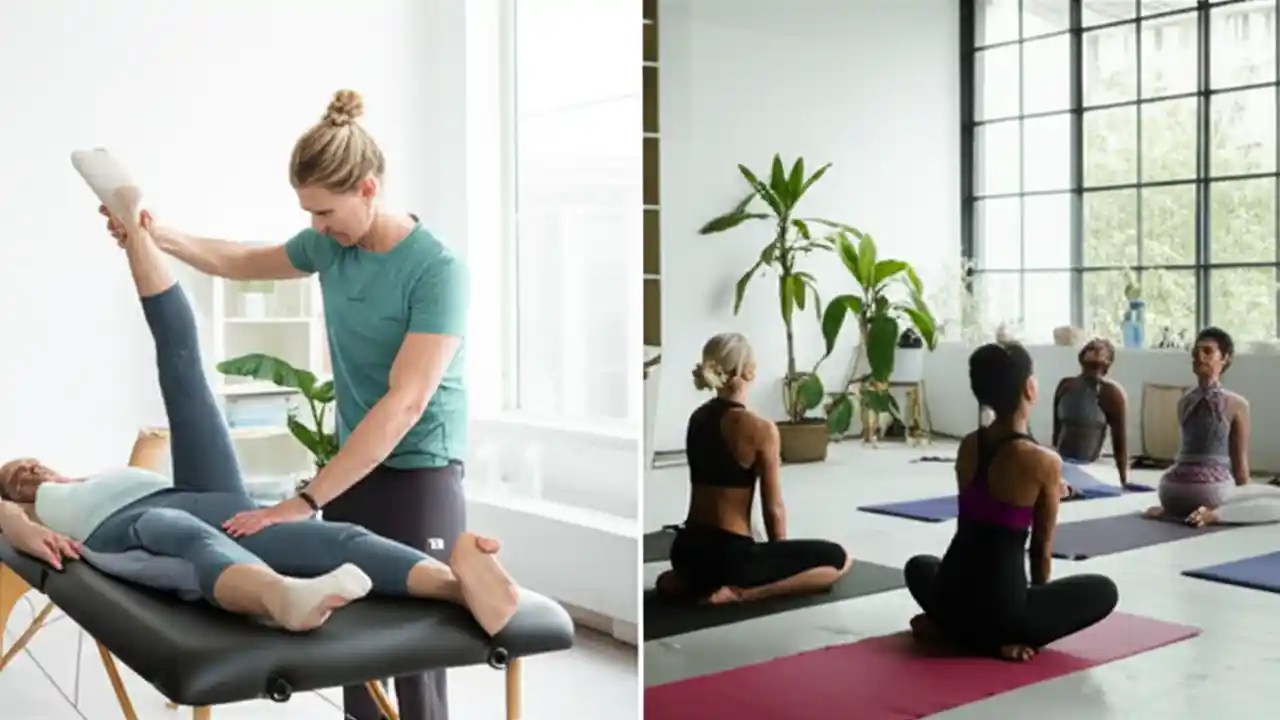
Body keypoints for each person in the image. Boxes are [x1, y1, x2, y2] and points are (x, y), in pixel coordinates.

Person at [99, 90, 468, 720]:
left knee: (418, 648)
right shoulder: (331, 246)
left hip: (419, 473)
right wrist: (154, 234)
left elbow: (404, 404)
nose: (317, 227)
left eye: (325, 211)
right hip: (355, 469)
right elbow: (241, 261)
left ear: (369, 189)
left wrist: (305, 500)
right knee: (354, 643)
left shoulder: (437, 270)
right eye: (308, 213)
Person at [0, 216, 518, 644]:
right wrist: (23, 525)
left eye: (28, 464)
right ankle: (279, 595)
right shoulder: (36, 513)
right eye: (15, 477)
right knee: (176, 530)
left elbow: (236, 266)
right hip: (130, 523)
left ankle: (459, 585)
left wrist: (140, 230)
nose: (27, 472)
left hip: (207, 496)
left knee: (188, 376)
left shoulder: (104, 474)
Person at [903, 342, 1118, 662]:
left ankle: (952, 626)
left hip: (950, 595)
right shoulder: (1044, 462)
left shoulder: (968, 445)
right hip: (1002, 613)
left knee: (919, 566)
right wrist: (1034, 609)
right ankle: (992, 637)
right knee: (1104, 590)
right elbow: (1040, 551)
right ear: (1030, 387)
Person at [652, 333, 850, 605]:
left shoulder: (697, 418)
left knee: (691, 573)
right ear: (749, 371)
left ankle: (689, 581)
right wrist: (778, 560)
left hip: (686, 550)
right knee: (839, 559)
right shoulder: (760, 429)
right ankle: (742, 593)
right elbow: (773, 507)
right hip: (730, 557)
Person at [1143, 327, 1280, 527]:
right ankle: (1214, 515)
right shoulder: (1238, 404)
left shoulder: (1184, 401)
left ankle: (1172, 511)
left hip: (1169, 489)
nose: (1199, 356)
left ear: (1225, 358)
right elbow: (1240, 472)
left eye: (1207, 351)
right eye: (1196, 352)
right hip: (1209, 490)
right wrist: (1246, 494)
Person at [1052, 338, 1132, 488]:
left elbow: (1120, 442)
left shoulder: (1112, 393)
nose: (1094, 349)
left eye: (1099, 349)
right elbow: (1056, 433)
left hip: (1090, 468)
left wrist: (1123, 480)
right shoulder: (1065, 386)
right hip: (1063, 464)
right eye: (1090, 348)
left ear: (1108, 363)